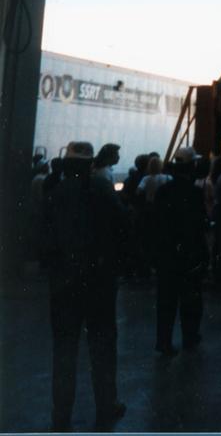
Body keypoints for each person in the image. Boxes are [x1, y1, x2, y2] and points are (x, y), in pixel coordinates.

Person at [44, 140, 129, 431]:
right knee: (102, 349)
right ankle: (106, 405)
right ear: (90, 164)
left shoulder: (55, 193)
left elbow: (43, 239)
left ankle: (61, 414)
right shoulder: (103, 189)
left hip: (63, 286)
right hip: (99, 284)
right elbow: (123, 227)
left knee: (64, 351)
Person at [152, 146, 208, 356]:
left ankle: (163, 340)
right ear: (192, 166)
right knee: (191, 299)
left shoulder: (163, 191)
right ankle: (189, 336)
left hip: (166, 254)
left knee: (166, 300)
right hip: (189, 254)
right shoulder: (195, 193)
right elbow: (198, 226)